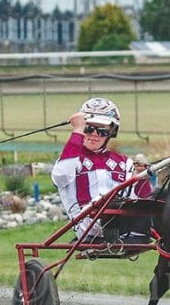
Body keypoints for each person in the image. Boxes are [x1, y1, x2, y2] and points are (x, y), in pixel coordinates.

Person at [50, 97, 153, 243]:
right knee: (106, 205)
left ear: (111, 132)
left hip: (121, 222)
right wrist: (77, 130)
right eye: (89, 128)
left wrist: (143, 180)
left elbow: (142, 199)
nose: (94, 134)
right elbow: (60, 177)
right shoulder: (71, 160)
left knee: (165, 198)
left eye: (102, 131)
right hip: (87, 225)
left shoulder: (124, 162)